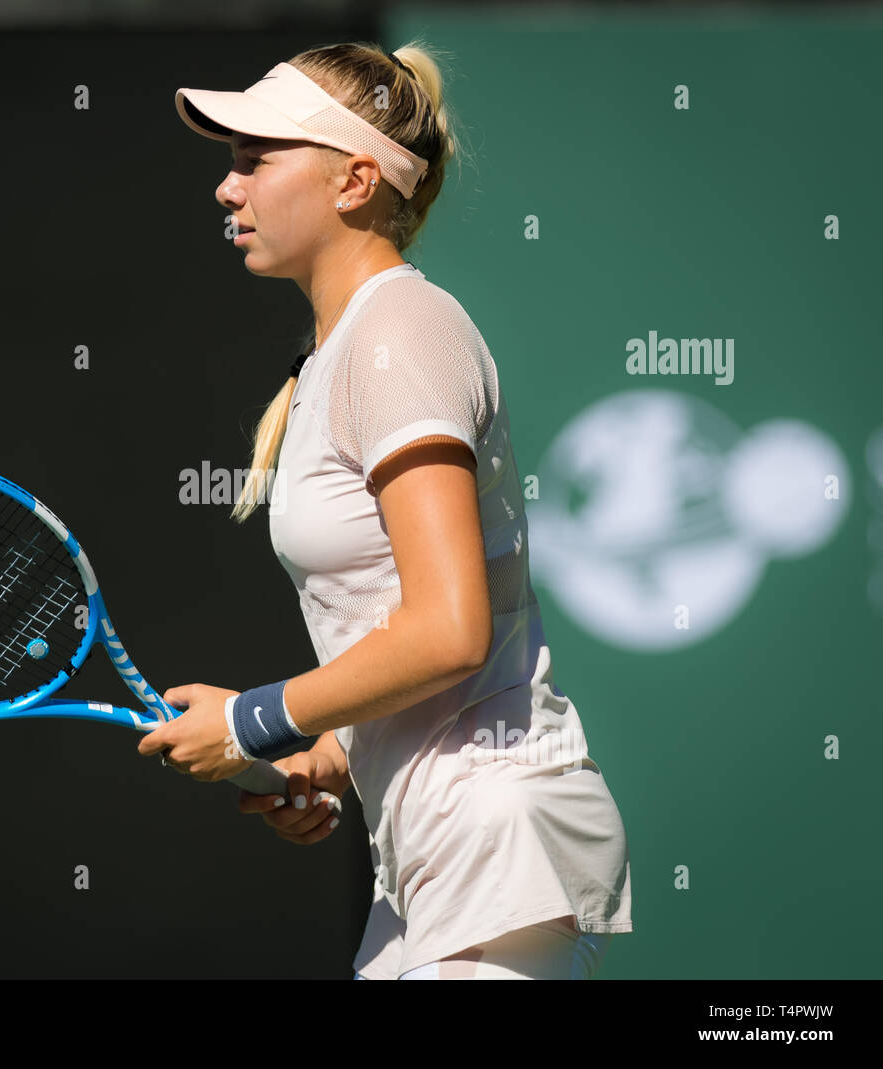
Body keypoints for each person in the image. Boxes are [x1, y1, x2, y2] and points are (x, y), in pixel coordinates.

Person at [137, 40, 632, 980]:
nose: (226, 188)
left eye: (256, 160)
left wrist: (253, 720)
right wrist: (324, 756)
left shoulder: (401, 331)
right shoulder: (338, 353)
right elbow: (397, 628)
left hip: (494, 843)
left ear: (355, 181)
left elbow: (449, 629)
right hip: (432, 866)